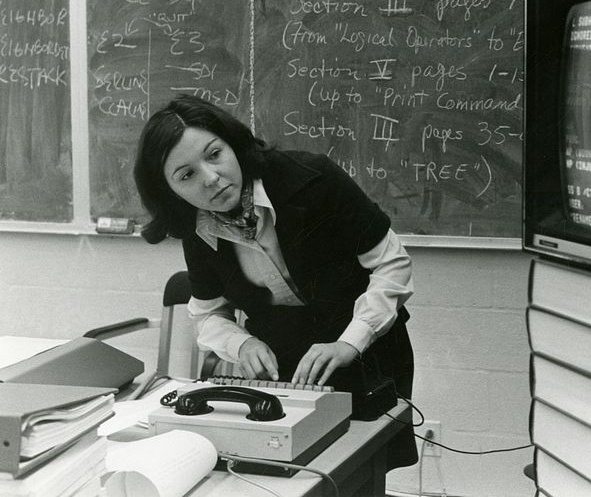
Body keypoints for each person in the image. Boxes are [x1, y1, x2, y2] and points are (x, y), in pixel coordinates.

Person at [133, 94, 417, 467]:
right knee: (290, 472)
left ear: (232, 144)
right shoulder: (197, 227)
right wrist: (242, 344)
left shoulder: (312, 178)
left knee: (362, 467)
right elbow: (207, 313)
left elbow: (391, 264)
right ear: (170, 191)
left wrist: (351, 341)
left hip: (367, 348)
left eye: (214, 154)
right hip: (285, 365)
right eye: (187, 175)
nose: (211, 178)